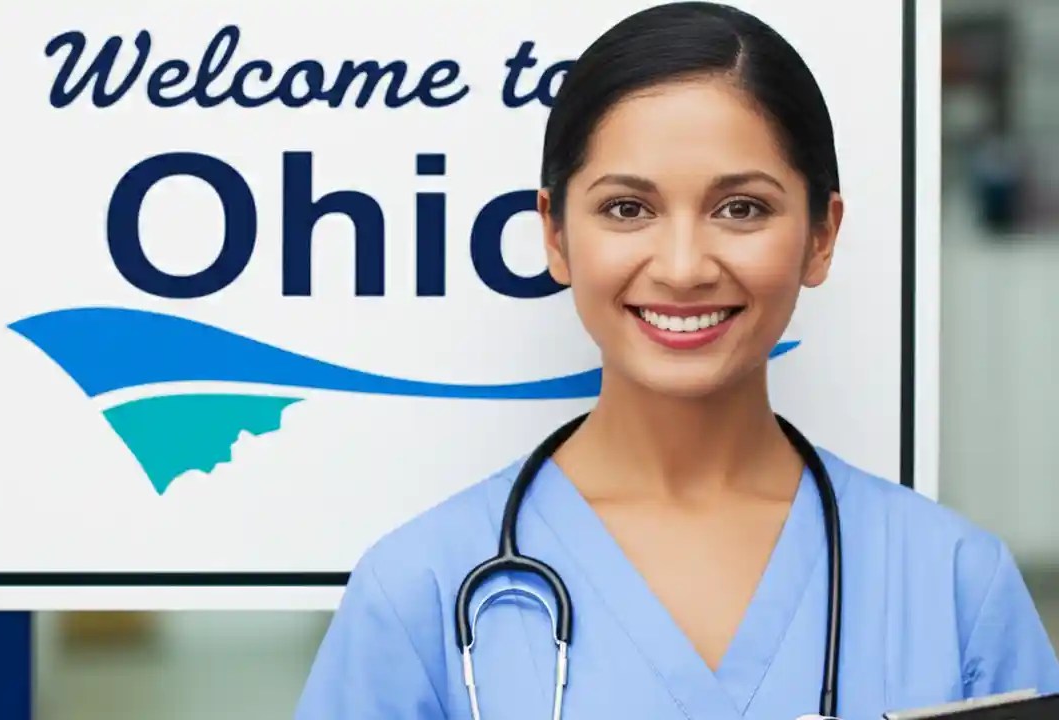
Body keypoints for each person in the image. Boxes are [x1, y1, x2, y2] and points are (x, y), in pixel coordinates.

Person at [293, 3, 1059, 718]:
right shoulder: (419, 593)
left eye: (742, 209)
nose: (685, 265)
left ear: (821, 236)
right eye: (628, 209)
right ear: (556, 236)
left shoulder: (956, 589)